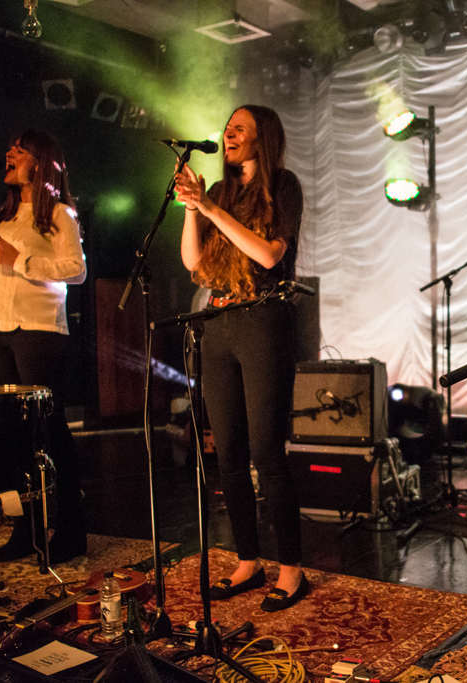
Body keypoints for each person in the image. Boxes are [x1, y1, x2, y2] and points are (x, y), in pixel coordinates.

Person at [174, 105, 307, 612]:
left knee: (266, 450)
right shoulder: (222, 195)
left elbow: (270, 255)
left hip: (263, 319)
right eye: (226, 128)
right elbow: (195, 264)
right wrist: (193, 207)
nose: (227, 136)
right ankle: (249, 559)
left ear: (262, 140)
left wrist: (211, 211)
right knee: (225, 450)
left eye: (239, 129)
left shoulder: (284, 186)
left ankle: (291, 569)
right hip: (219, 322)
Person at [0, 130, 88, 565]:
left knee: (48, 431)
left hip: (40, 331)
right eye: (8, 148)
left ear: (41, 163)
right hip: (1, 331)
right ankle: (26, 528)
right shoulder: (5, 215)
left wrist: (23, 262)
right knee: (10, 434)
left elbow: (76, 270)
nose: (8, 154)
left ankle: (70, 529)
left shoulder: (60, 216)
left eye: (19, 150)